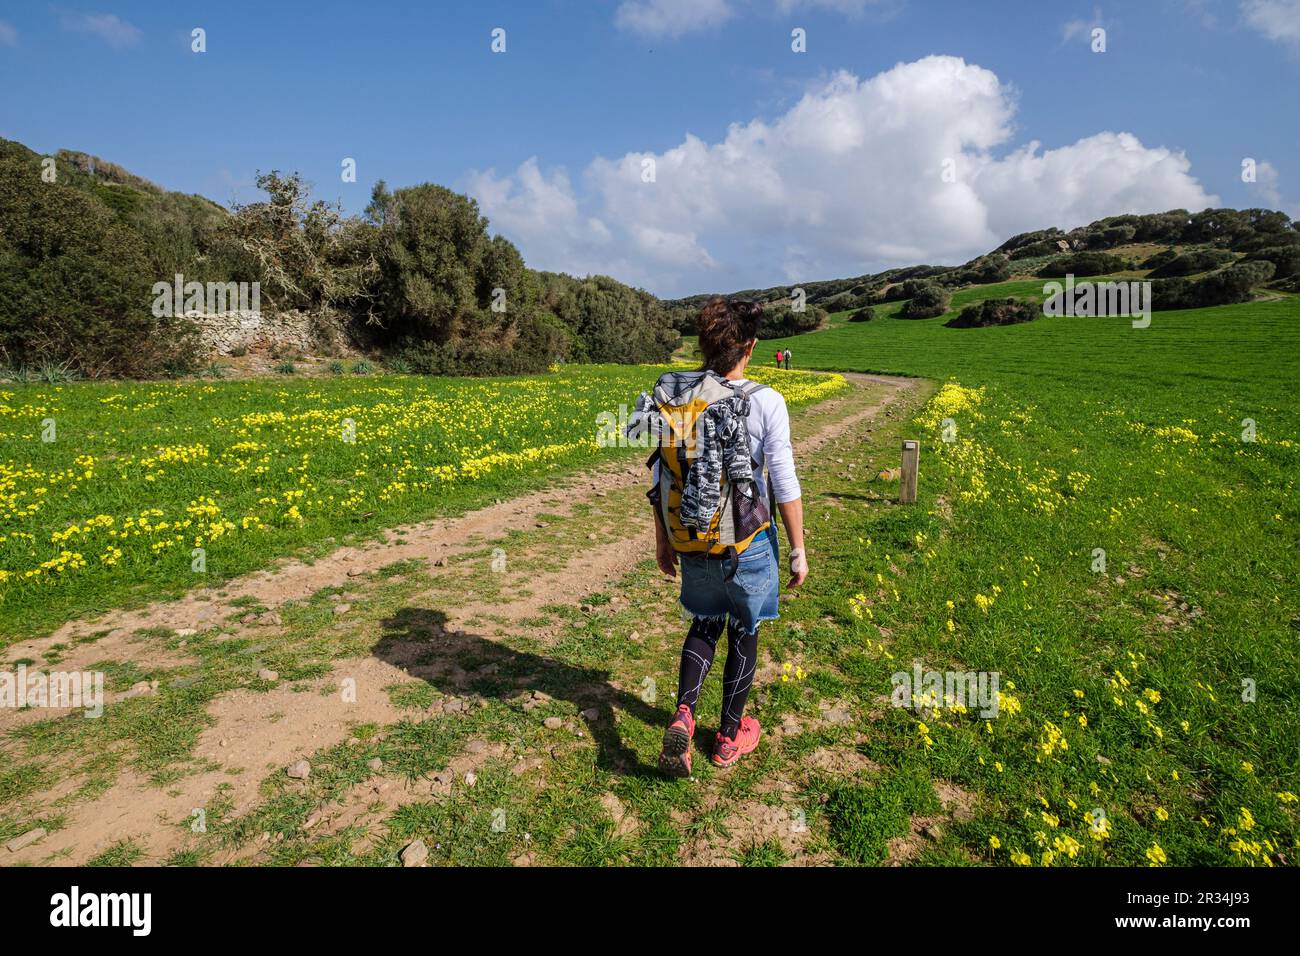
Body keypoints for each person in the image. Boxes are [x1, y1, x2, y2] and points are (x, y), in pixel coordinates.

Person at [654, 298, 808, 775]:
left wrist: (663, 540)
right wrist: (799, 551)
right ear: (751, 347)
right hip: (746, 542)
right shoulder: (765, 400)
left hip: (691, 536)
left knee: (704, 622)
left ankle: (684, 712)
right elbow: (782, 479)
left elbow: (662, 473)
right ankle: (727, 737)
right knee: (745, 630)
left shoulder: (676, 394)